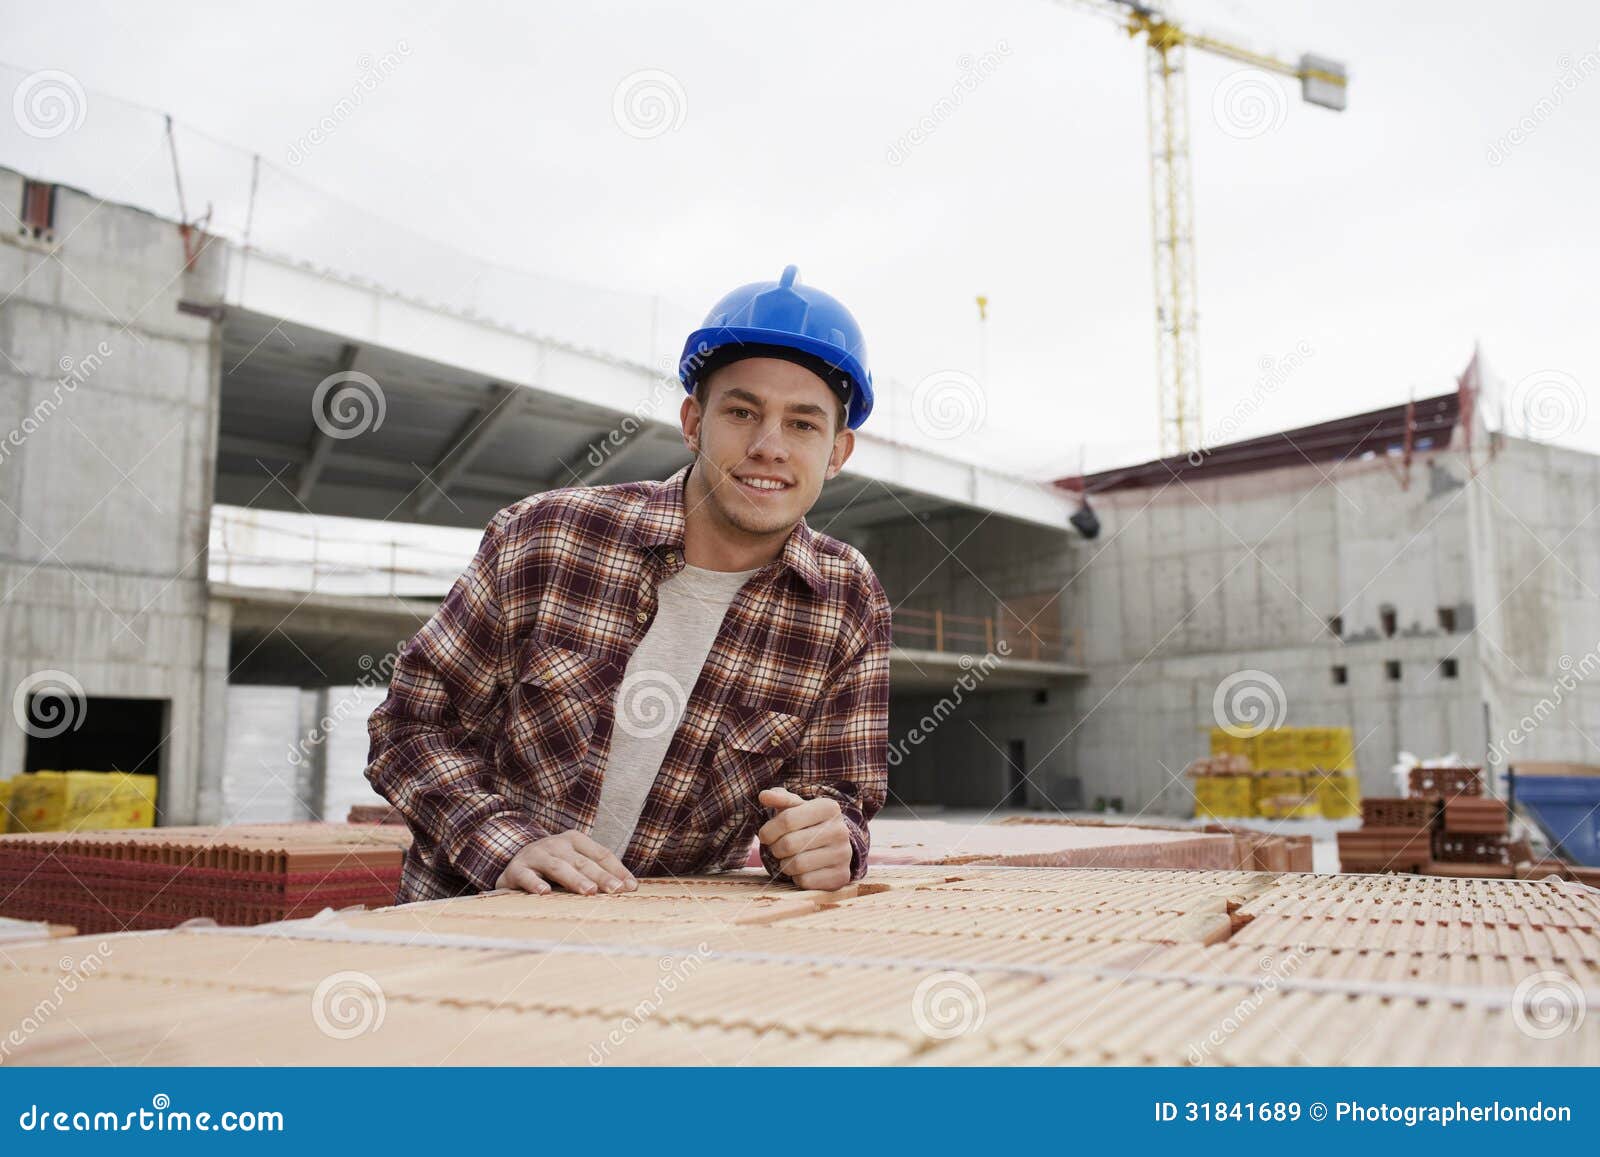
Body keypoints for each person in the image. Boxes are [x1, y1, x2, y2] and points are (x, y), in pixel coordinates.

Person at [366, 265, 890, 902]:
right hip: (466, 932)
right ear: (694, 422)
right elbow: (409, 730)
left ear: (838, 453)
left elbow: (838, 797)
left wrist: (832, 843)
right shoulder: (548, 537)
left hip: (664, 958)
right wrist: (508, 843)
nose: (769, 446)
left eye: (804, 424)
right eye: (742, 411)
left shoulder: (846, 601)